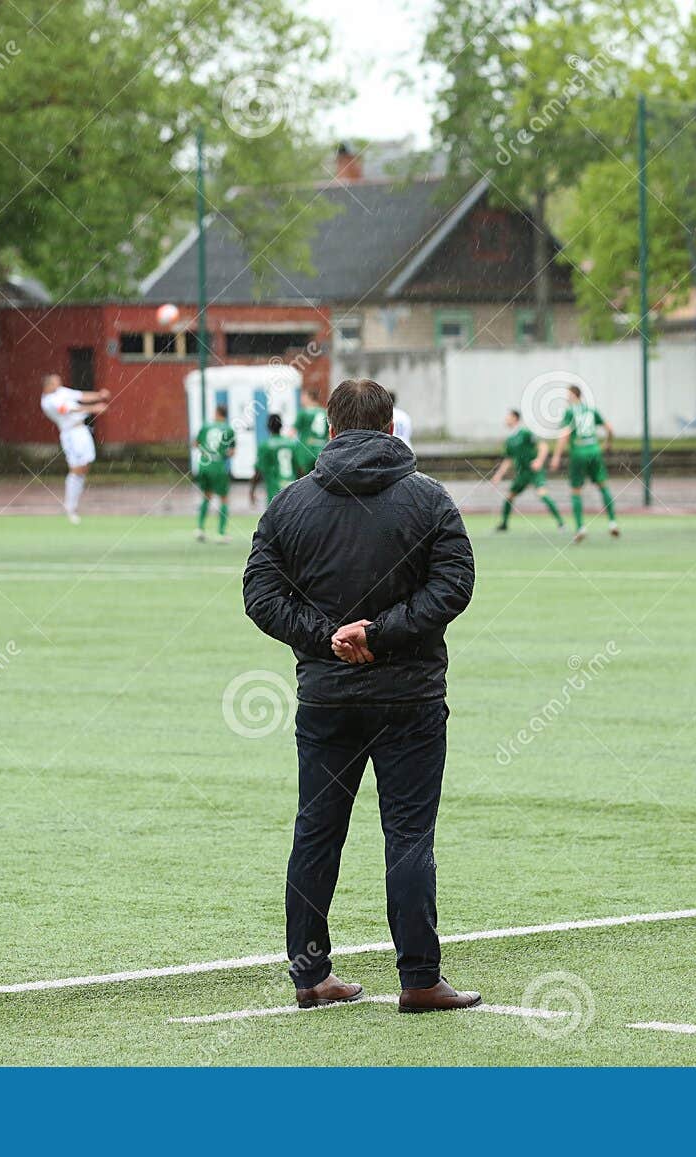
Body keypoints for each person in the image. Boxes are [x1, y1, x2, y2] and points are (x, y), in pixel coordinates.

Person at [243, 378, 479, 1014]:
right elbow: (455, 586)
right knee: (407, 836)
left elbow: (260, 597)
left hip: (328, 698)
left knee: (316, 833)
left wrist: (329, 640)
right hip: (411, 695)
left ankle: (310, 975)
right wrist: (382, 632)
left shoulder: (291, 504)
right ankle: (420, 979)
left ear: (329, 428)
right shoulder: (429, 499)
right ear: (393, 427)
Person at [548, 384, 620, 543]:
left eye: (568, 394)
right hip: (594, 450)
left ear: (574, 395)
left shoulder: (569, 412)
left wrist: (556, 457)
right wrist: (608, 443)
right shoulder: (591, 410)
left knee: (576, 490)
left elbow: (564, 436)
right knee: (603, 486)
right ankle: (612, 523)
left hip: (579, 451)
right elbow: (610, 428)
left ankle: (580, 527)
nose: (566, 397)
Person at [40, 374, 109, 524]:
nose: (58, 385)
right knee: (76, 468)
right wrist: (94, 408)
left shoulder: (60, 391)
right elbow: (70, 409)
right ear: (47, 385)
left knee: (85, 466)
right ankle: (70, 507)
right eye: (55, 383)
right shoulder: (48, 402)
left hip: (82, 430)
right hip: (70, 434)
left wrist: (99, 395)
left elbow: (80, 395)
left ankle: (74, 504)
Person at [491, 409, 564, 532]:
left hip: (534, 472)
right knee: (509, 497)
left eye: (508, 417)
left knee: (542, 494)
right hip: (522, 474)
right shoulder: (510, 440)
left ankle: (561, 523)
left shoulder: (525, 433)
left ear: (515, 418)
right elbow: (508, 459)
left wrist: (539, 461)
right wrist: (498, 475)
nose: (506, 419)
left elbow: (543, 446)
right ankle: (504, 524)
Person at [194, 404, 236, 542]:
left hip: (204, 464)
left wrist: (206, 452)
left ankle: (200, 528)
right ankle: (221, 533)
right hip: (218, 465)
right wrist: (222, 453)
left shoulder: (206, 426)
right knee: (224, 498)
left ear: (217, 413)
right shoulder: (229, 430)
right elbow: (231, 452)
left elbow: (195, 443)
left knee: (206, 495)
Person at [250, 413, 307, 507]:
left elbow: (258, 471)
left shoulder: (265, 445)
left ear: (268, 427)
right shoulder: (292, 444)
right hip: (292, 491)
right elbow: (300, 469)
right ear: (281, 426)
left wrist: (252, 491)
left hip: (275, 493)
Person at [294, 387, 330, 475]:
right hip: (322, 449)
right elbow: (329, 433)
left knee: (304, 479)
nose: (301, 398)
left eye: (303, 396)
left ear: (309, 397)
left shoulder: (303, 413)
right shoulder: (325, 412)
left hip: (306, 450)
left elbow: (292, 432)